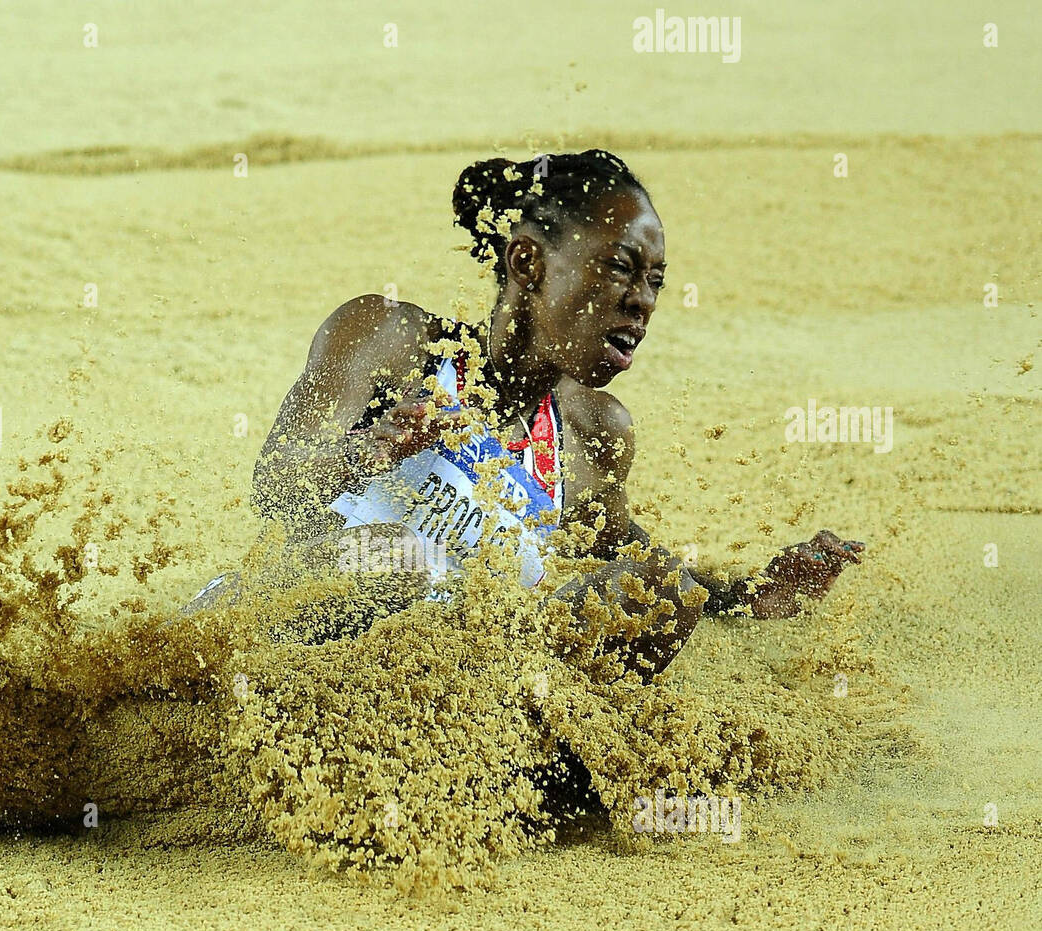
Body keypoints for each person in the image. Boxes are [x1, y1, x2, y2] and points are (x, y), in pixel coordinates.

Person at [189, 149, 864, 679]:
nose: (643, 301)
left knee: (658, 591)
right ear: (527, 260)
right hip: (258, 643)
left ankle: (510, 779)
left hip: (427, 696)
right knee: (400, 556)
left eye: (655, 281)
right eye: (622, 268)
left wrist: (745, 598)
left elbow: (633, 559)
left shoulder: (592, 436)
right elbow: (274, 487)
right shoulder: (393, 339)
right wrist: (370, 452)